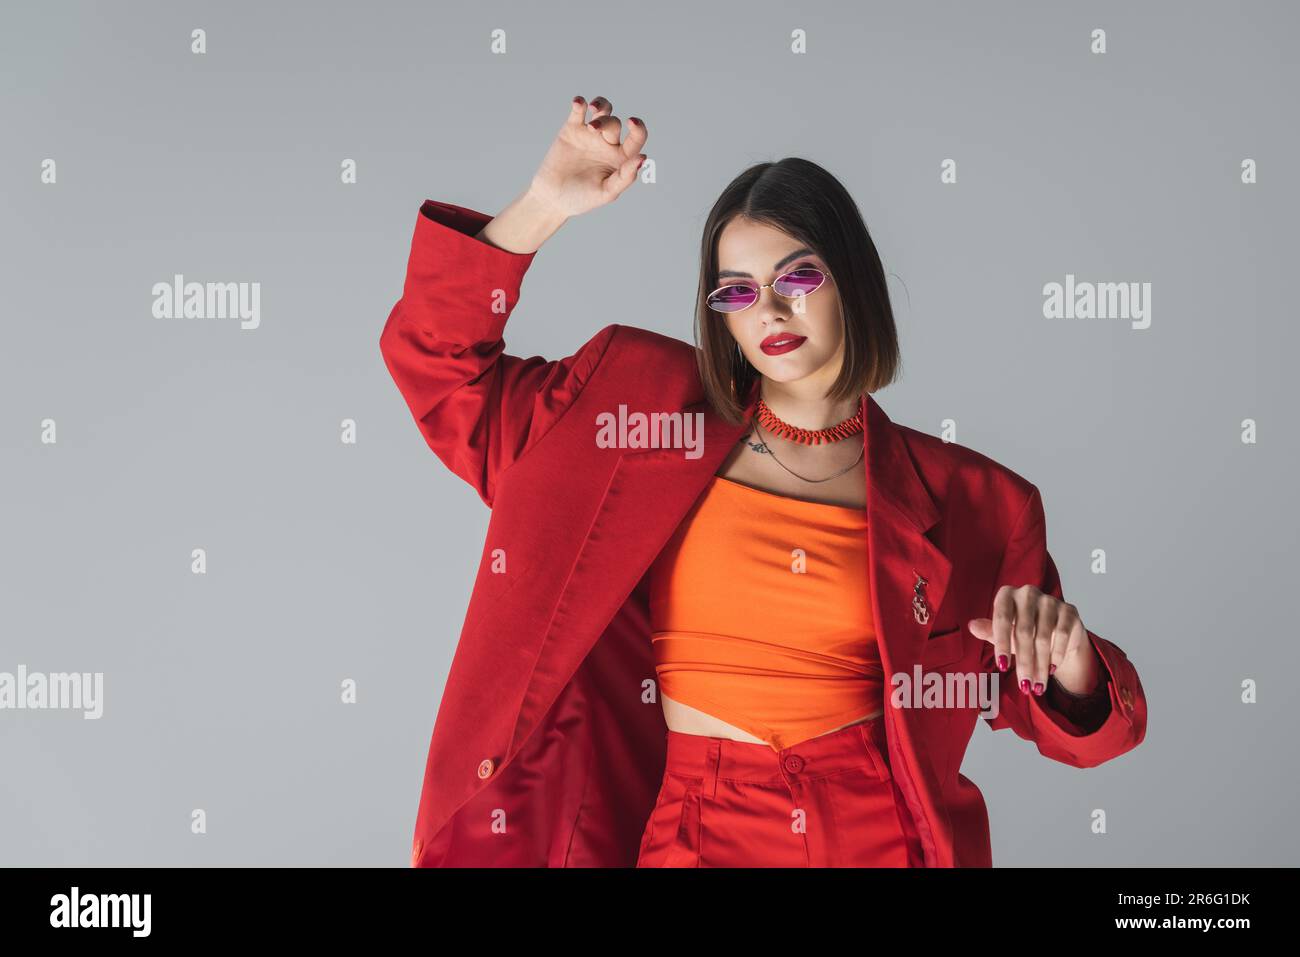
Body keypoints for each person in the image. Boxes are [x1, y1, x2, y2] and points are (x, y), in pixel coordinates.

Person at [379, 94, 1148, 867]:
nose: (769, 307)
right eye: (736, 290)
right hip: (693, 830)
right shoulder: (628, 416)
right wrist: (542, 205)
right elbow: (437, 365)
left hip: (878, 836)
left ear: (853, 279)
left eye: (798, 275)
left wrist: (1073, 666)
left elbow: (1079, 728)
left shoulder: (976, 501)